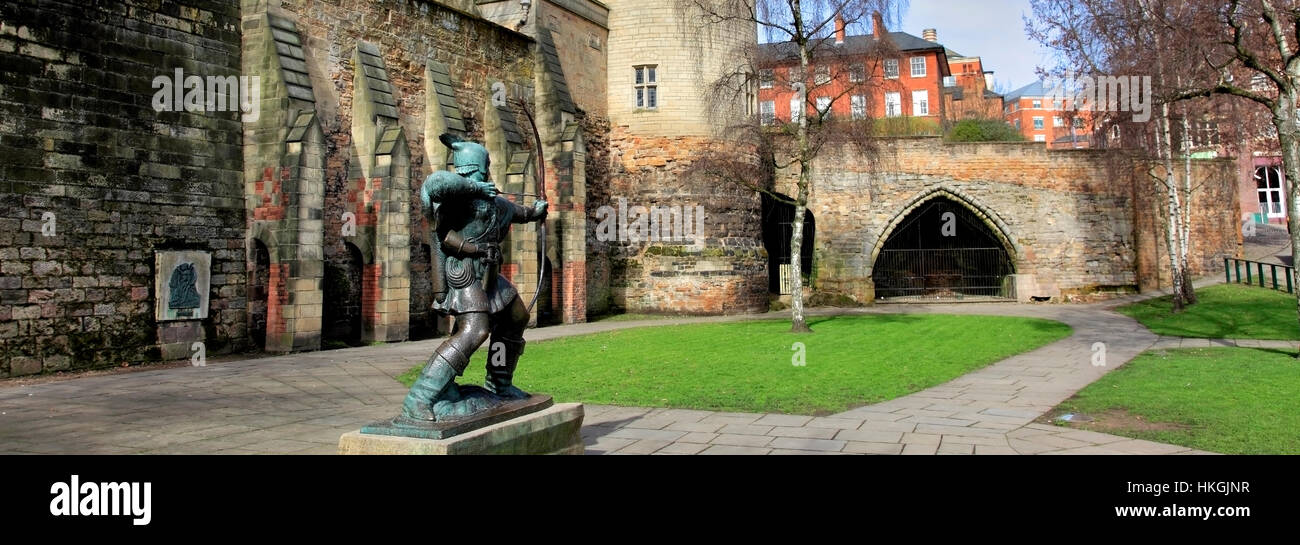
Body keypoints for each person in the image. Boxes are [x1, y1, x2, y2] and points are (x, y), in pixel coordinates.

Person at [401, 133, 548, 422]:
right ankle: (421, 396)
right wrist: (473, 187)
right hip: (464, 274)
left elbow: (521, 212)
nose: (486, 172)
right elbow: (434, 186)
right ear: (473, 169)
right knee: (474, 330)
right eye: (482, 168)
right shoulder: (458, 199)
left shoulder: (495, 204)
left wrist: (536, 211)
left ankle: (499, 383)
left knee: (516, 317)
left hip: (489, 276)